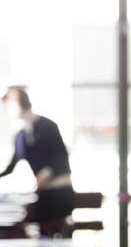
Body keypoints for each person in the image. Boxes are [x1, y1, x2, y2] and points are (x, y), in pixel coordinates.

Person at [0, 87, 75, 228]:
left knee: (51, 226)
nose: (7, 110)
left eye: (9, 105)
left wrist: (45, 175)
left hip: (59, 192)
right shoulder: (20, 135)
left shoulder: (48, 126)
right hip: (42, 194)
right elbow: (12, 165)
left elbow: (61, 157)